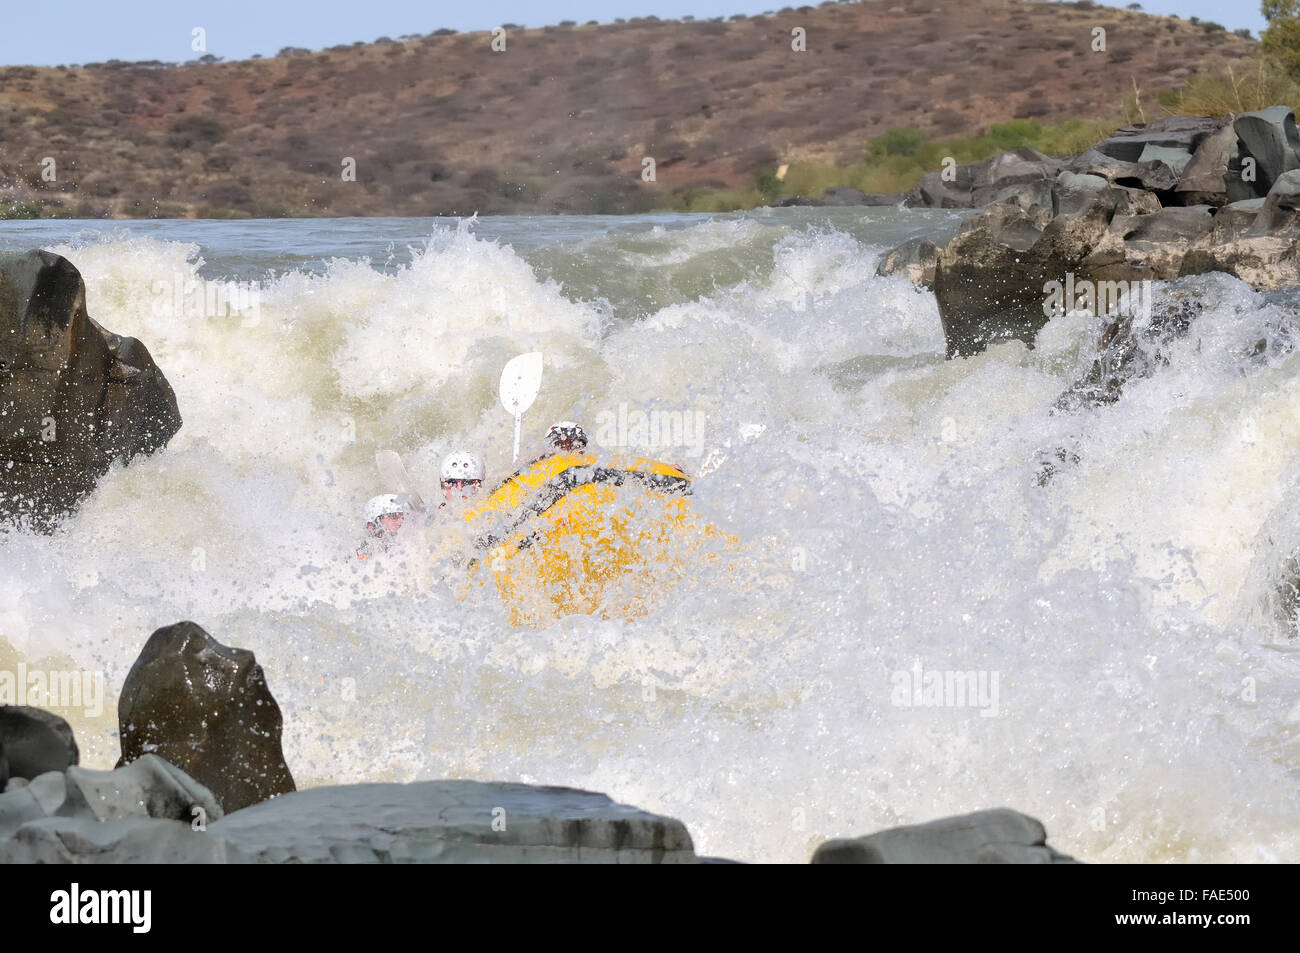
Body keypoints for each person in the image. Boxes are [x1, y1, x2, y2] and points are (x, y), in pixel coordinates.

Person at [356, 493, 408, 560]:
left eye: (404, 518)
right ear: (372, 526)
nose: (401, 522)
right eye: (393, 517)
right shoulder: (362, 558)